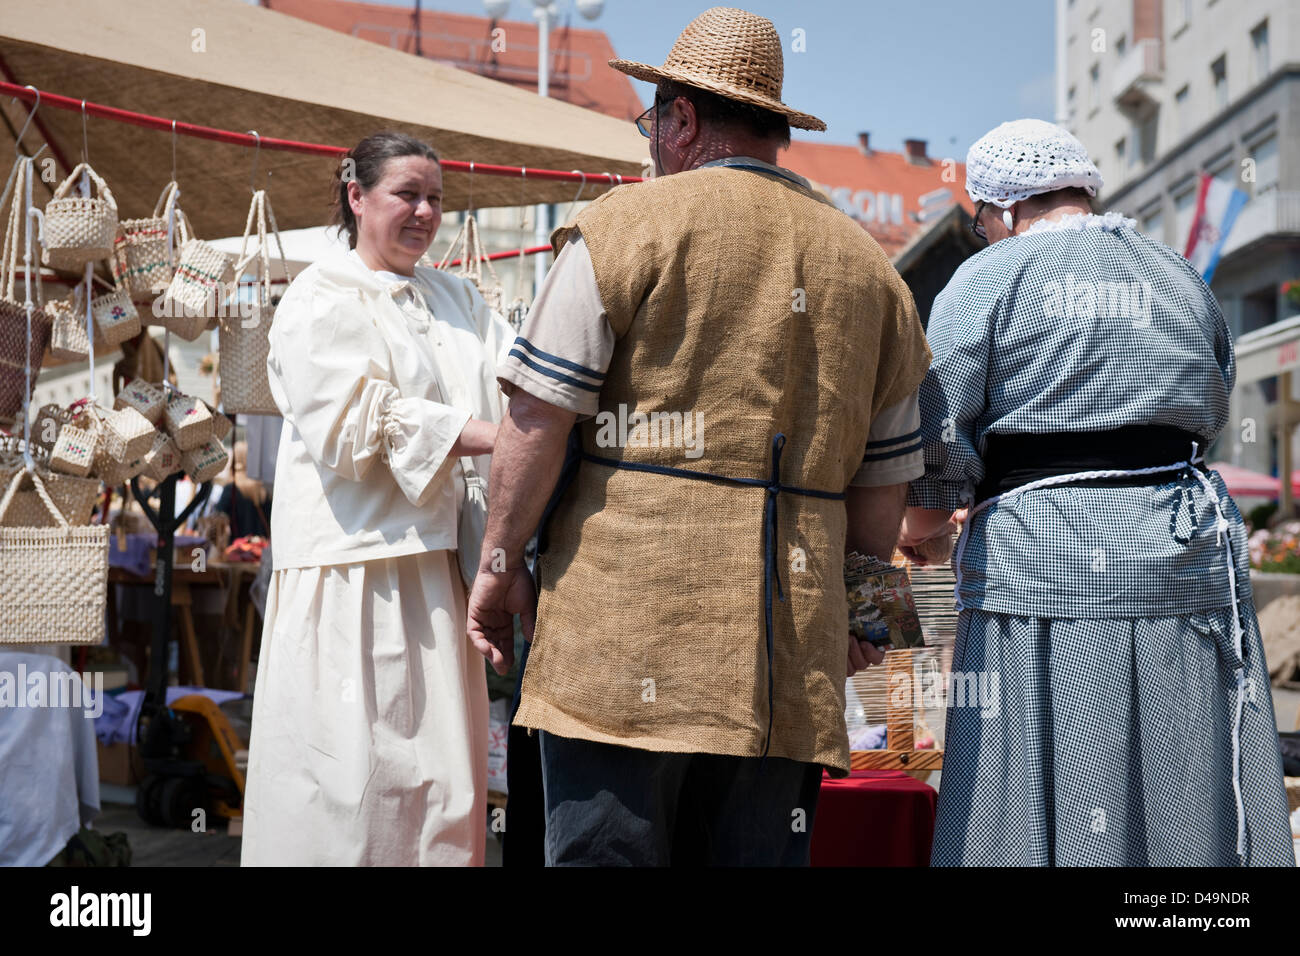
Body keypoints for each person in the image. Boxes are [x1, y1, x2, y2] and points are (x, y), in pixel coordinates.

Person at [467, 6, 932, 866]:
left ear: (682, 118)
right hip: (786, 662)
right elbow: (883, 484)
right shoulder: (873, 270)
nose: (649, 140)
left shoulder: (620, 228)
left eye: (652, 119)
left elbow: (535, 418)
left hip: (620, 641)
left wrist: (497, 567)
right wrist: (861, 612)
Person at [898, 119, 1295, 867]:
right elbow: (1212, 402)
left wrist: (921, 525)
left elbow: (937, 428)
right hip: (1186, 548)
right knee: (1183, 773)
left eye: (981, 221)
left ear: (1003, 208)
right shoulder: (1175, 271)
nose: (985, 235)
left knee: (1037, 777)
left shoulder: (989, 278)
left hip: (1046, 558)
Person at [241, 131, 512, 866]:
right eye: (408, 194)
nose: (425, 212)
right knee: (346, 788)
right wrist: (487, 435)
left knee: (440, 789)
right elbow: (355, 420)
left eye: (436, 199)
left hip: (436, 573)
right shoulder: (319, 295)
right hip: (352, 573)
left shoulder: (459, 296)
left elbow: (519, 377)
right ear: (357, 197)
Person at [214, 441, 271, 539]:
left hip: (237, 549)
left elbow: (218, 519)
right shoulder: (265, 488)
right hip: (262, 547)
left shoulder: (231, 489)